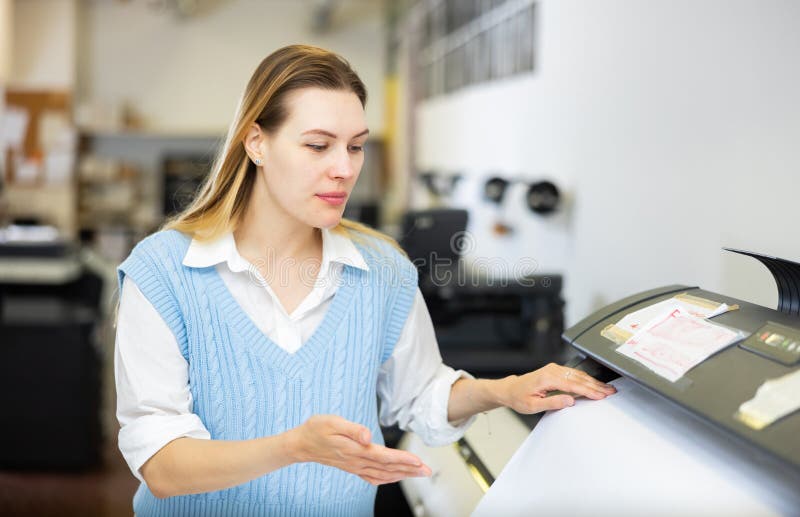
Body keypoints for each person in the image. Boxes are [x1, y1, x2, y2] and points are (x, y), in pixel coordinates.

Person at [114, 44, 616, 517]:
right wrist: (293, 448)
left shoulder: (383, 270)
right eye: (318, 145)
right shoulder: (164, 272)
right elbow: (161, 463)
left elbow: (419, 396)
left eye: (355, 147)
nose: (344, 169)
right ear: (256, 143)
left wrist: (504, 391)